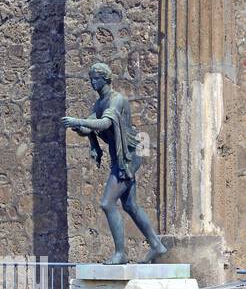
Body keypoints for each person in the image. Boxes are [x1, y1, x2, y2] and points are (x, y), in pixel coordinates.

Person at [63, 62, 168, 265]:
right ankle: (156, 245)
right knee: (130, 205)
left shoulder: (116, 100)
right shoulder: (100, 104)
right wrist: (78, 127)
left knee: (107, 203)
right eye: (91, 78)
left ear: (106, 79)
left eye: (96, 78)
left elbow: (104, 123)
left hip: (130, 154)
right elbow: (89, 127)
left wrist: (80, 121)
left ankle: (120, 253)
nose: (93, 82)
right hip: (121, 156)